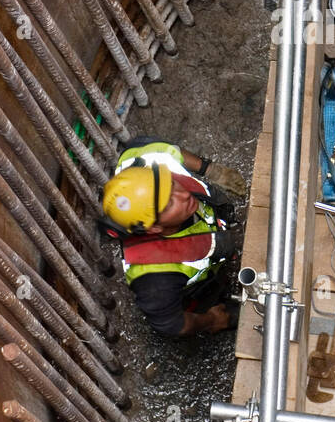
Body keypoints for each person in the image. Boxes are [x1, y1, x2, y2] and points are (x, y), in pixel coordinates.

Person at [99, 138, 247, 336]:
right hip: (200, 286)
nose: (184, 195)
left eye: (172, 183)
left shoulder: (143, 158)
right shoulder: (154, 278)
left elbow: (159, 146)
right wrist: (212, 320)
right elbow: (171, 324)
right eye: (168, 204)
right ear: (153, 228)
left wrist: (210, 170)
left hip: (212, 225)